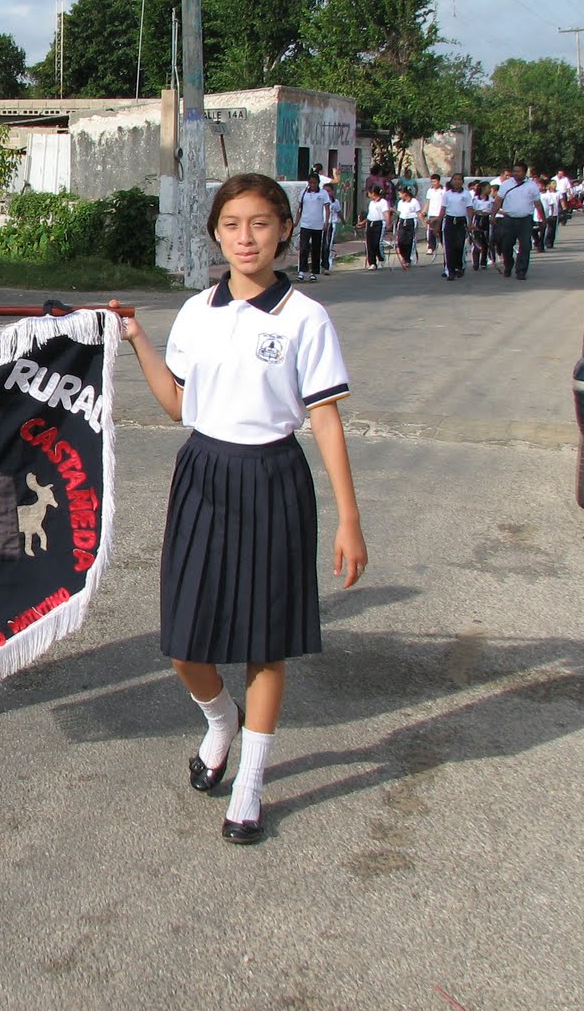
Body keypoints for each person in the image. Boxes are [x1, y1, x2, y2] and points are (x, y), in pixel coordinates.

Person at [110, 173, 366, 844]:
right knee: (183, 638)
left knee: (264, 641)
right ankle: (220, 722)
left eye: (259, 223)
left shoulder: (306, 318)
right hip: (203, 473)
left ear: (285, 229)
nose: (245, 237)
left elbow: (327, 421)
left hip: (273, 477)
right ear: (216, 233)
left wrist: (349, 518)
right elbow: (178, 406)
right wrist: (138, 338)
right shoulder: (198, 312)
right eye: (231, 224)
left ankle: (250, 782)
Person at [492, 162, 542, 280]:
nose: (515, 174)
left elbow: (538, 204)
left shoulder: (532, 185)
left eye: (518, 171)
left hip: (525, 220)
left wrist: (542, 219)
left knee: (525, 246)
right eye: (514, 171)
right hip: (509, 219)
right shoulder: (506, 184)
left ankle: (521, 271)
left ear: (524, 172)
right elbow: (498, 200)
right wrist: (493, 215)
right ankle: (508, 266)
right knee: (506, 246)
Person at [295, 173, 329, 282]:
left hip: (318, 225)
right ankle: (302, 271)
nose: (312, 185)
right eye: (311, 183)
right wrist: (296, 222)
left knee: (316, 249)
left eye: (314, 183)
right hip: (305, 224)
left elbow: (327, 209)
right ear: (308, 183)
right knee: (304, 247)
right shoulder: (304, 193)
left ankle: (314, 272)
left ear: (318, 183)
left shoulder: (323, 193)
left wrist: (326, 222)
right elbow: (299, 208)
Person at [439, 172, 473, 280]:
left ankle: (459, 266)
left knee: (459, 245)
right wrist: (438, 223)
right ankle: (451, 271)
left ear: (462, 182)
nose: (457, 181)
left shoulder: (466, 194)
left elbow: (469, 209)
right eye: (455, 179)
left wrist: (470, 223)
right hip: (449, 220)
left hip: (461, 221)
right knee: (449, 247)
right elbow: (443, 209)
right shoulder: (447, 194)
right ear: (451, 181)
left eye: (459, 179)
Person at [394, 186, 422, 270]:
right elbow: (399, 213)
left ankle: (408, 259)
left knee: (409, 241)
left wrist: (424, 222)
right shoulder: (400, 203)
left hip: (411, 222)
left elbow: (418, 213)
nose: (399, 195)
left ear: (405, 194)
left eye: (400, 193)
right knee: (400, 241)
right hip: (402, 221)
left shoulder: (414, 202)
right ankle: (404, 256)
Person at [469, 181, 494, 272]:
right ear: (483, 188)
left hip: (486, 220)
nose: (490, 189)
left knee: (485, 242)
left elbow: (493, 210)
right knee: (476, 242)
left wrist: (488, 213)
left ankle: (483, 262)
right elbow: (471, 211)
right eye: (488, 187)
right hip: (477, 219)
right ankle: (475, 262)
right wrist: (470, 223)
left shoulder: (490, 199)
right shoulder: (475, 199)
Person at [364, 184, 390, 270]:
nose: (368, 194)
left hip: (379, 223)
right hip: (370, 223)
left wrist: (388, 223)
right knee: (369, 243)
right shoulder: (371, 203)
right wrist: (363, 222)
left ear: (373, 193)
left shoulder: (383, 202)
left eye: (369, 193)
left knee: (377, 243)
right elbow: (370, 215)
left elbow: (386, 213)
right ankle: (372, 263)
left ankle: (381, 258)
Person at [320, 176, 341, 275]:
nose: (326, 194)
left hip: (330, 224)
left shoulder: (335, 202)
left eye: (328, 191)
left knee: (327, 245)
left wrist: (344, 222)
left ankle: (327, 265)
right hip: (319, 224)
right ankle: (319, 265)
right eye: (324, 191)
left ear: (332, 192)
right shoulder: (320, 201)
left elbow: (339, 212)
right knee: (320, 245)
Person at [423, 174, 445, 256]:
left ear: (439, 181)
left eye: (435, 181)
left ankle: (444, 246)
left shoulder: (443, 191)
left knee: (441, 231)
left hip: (440, 214)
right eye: (432, 181)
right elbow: (428, 202)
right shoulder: (430, 191)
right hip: (432, 213)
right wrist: (424, 211)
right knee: (431, 231)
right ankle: (431, 247)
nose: (433, 183)